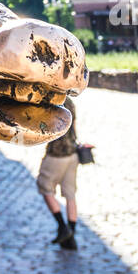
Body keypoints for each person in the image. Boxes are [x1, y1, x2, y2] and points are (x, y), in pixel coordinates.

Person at [36, 99, 79, 250]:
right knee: (70, 194)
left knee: (44, 186)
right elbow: (74, 127)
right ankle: (71, 235)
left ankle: (63, 226)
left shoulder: (53, 101)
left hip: (57, 153)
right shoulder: (70, 102)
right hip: (72, 152)